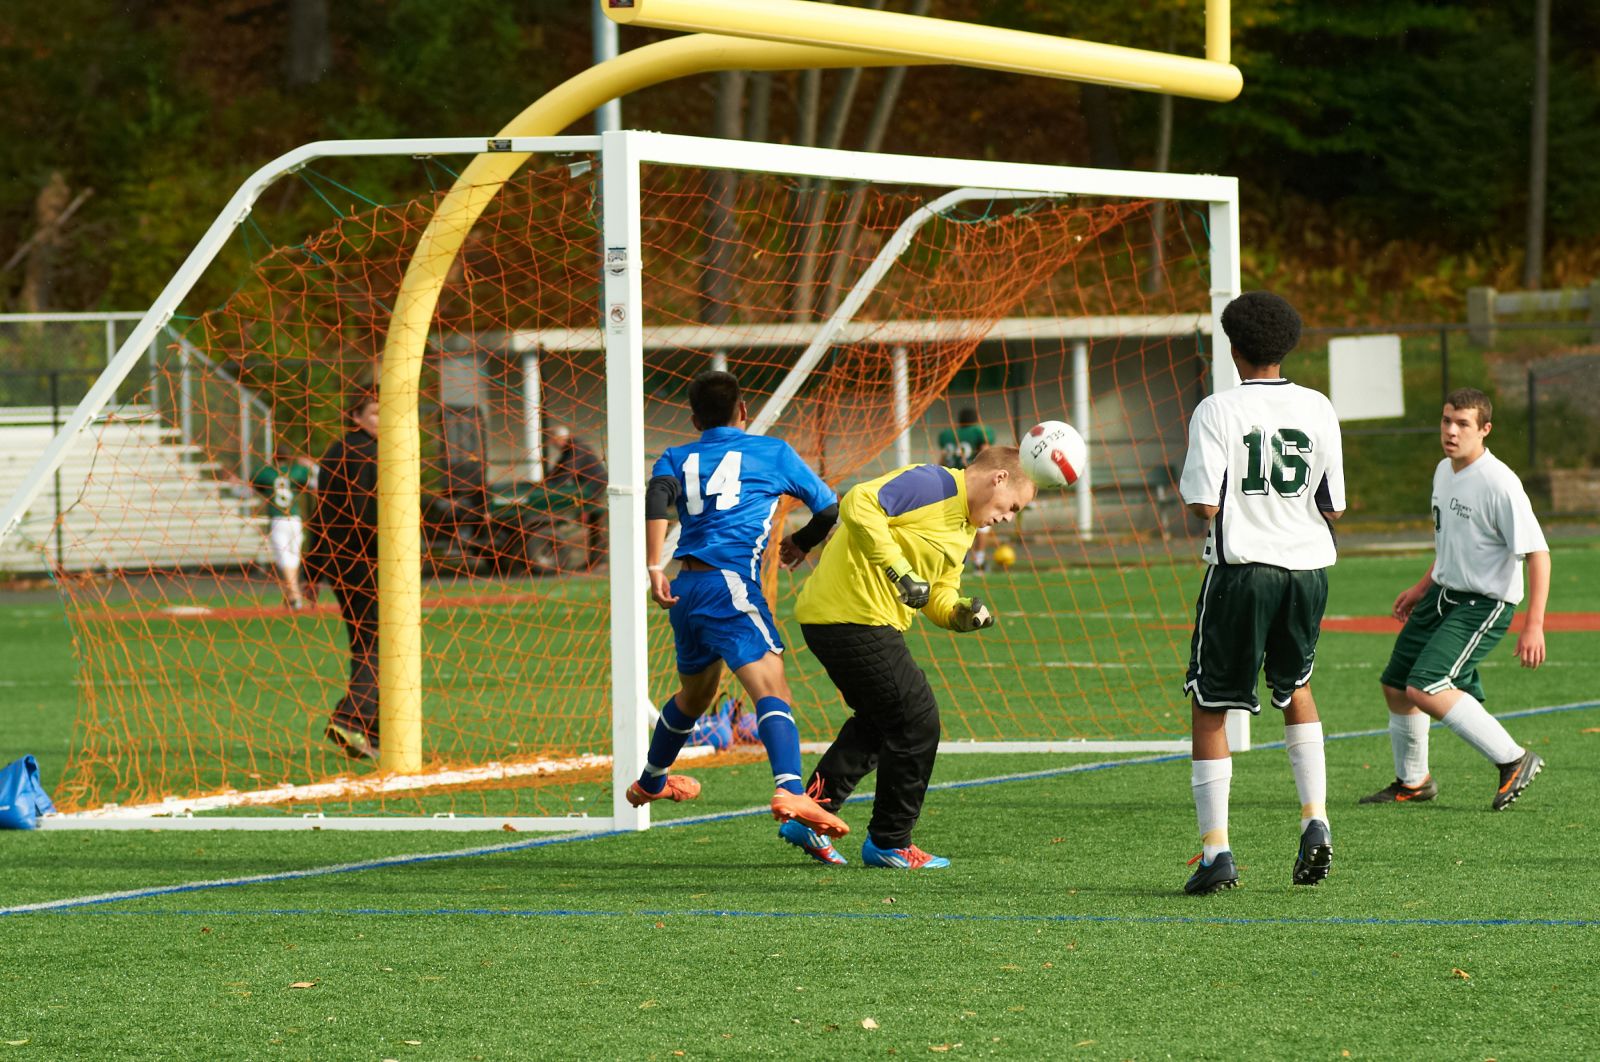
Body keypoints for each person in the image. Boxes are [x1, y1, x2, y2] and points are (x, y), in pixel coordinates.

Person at [792, 445, 1034, 869]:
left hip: (855, 620)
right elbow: (858, 502)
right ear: (999, 478)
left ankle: (811, 813)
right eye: (1012, 506)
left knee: (881, 721)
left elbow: (937, 593)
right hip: (849, 616)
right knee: (918, 719)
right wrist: (897, 570)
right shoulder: (933, 483)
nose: (1008, 518)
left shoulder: (965, 527)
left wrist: (959, 614)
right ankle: (890, 841)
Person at [636, 370, 849, 847]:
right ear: (744, 411)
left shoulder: (676, 455)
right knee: (772, 687)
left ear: (694, 419)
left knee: (695, 697)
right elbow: (830, 507)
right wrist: (801, 543)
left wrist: (654, 566)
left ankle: (652, 779)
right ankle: (791, 790)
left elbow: (658, 497)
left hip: (684, 590)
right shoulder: (770, 452)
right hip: (730, 585)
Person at [1177, 291, 1346, 895]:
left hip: (1244, 570)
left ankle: (1216, 852)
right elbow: (1334, 505)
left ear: (1233, 348)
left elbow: (1203, 504)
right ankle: (1316, 820)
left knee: (1210, 703)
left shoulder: (1216, 410)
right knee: (1297, 687)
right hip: (1308, 570)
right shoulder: (1320, 407)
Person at [1361, 388, 1548, 811]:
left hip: (1483, 603)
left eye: (1462, 423)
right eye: (1446, 420)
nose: (1450, 430)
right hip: (1443, 595)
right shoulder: (1444, 471)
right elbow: (1452, 543)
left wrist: (1533, 623)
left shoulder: (1500, 483)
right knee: (1395, 685)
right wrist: (1422, 586)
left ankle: (1514, 759)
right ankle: (1413, 782)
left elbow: (1538, 553)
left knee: (1424, 686)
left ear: (1485, 430)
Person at [305, 390, 381, 761]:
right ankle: (352, 715)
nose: (385, 419)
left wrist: (312, 570)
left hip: (338, 565)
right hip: (370, 562)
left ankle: (376, 735)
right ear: (357, 417)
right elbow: (366, 513)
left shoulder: (334, 452)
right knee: (383, 644)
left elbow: (319, 515)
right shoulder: (371, 453)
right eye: (377, 412)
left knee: (365, 643)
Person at [249, 447, 316, 609]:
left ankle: (294, 595)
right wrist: (311, 466)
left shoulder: (267, 473)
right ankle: (292, 595)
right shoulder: (297, 471)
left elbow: (252, 485)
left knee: (284, 559)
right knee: (293, 557)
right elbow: (312, 484)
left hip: (278, 519)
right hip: (295, 519)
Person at [936, 407, 998, 571]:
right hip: (972, 484)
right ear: (976, 419)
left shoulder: (947, 435)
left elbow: (941, 460)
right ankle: (979, 562)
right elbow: (986, 452)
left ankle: (950, 563)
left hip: (950, 484)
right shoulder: (980, 432)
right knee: (982, 522)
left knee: (954, 524)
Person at [546, 423, 608, 571]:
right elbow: (560, 468)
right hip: (590, 491)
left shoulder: (576, 448)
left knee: (598, 526)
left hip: (599, 490)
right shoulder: (568, 449)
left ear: (560, 438)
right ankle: (593, 561)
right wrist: (547, 482)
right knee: (593, 526)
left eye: (554, 441)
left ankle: (600, 562)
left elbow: (569, 470)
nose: (553, 445)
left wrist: (554, 485)